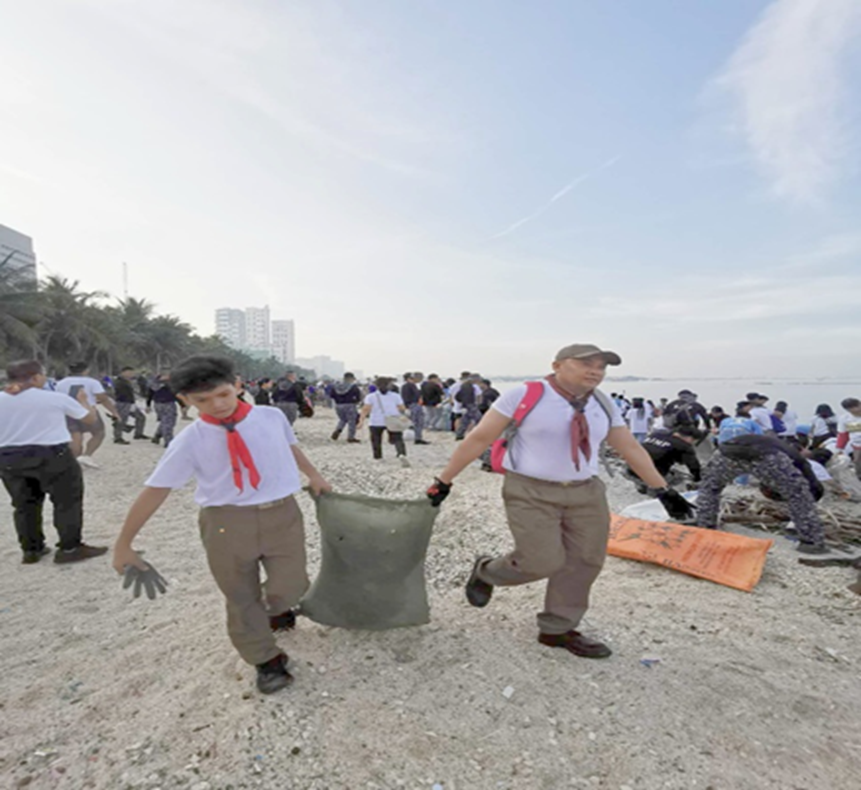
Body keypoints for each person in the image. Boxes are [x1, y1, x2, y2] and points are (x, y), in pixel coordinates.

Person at [425, 344, 693, 660]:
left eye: (602, 366)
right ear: (557, 366)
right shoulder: (525, 394)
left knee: (585, 560)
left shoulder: (604, 404)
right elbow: (479, 438)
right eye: (586, 364)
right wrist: (444, 480)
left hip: (586, 491)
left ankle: (557, 628)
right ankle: (486, 571)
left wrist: (664, 491)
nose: (596, 371)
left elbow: (630, 447)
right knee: (541, 560)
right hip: (530, 490)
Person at [112, 355, 331, 694]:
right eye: (202, 400)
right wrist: (124, 542)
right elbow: (156, 490)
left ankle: (274, 609)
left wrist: (314, 475)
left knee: (291, 584)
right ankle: (265, 659)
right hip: (226, 523)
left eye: (223, 394)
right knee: (239, 593)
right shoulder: (189, 440)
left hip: (283, 516)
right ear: (185, 400)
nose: (217, 405)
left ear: (238, 386)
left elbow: (291, 449)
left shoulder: (271, 417)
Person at [0, 360, 108, 564]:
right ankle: (69, 548)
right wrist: (84, 401)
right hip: (51, 454)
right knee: (67, 501)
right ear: (34, 377)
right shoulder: (53, 398)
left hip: (8, 456)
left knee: (24, 504)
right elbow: (89, 420)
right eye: (42, 375)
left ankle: (32, 549)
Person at [696, 432, 828, 555]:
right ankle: (811, 542)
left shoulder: (782, 447)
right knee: (798, 495)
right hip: (764, 455)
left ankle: (705, 526)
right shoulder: (800, 461)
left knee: (709, 488)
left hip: (725, 452)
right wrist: (809, 500)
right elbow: (808, 490)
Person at [56, 361, 121, 468]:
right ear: (86, 370)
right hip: (87, 410)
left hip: (68, 412)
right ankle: (86, 455)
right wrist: (114, 412)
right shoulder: (92, 382)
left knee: (75, 436)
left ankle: (74, 461)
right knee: (98, 433)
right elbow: (103, 398)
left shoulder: (61, 383)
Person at [630, 426, 701, 492]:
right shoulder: (684, 446)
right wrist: (697, 479)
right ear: (690, 438)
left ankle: (642, 485)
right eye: (693, 441)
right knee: (681, 479)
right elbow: (694, 466)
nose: (692, 444)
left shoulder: (657, 434)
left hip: (631, 466)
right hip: (652, 473)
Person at [357, 377, 409, 466]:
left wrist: (361, 421)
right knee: (398, 438)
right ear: (389, 386)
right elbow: (402, 408)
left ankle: (378, 457)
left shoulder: (371, 396)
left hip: (375, 421)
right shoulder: (395, 396)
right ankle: (401, 453)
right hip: (392, 419)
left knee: (376, 439)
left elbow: (365, 409)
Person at [112, 366, 149, 444]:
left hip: (130, 402)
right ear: (123, 372)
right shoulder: (119, 381)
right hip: (122, 403)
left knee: (141, 417)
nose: (131, 374)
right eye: (129, 373)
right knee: (121, 419)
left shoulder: (129, 381)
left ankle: (138, 433)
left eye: (132, 373)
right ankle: (118, 437)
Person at [147, 372, 180, 448]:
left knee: (164, 421)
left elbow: (149, 395)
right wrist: (182, 405)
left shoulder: (153, 384)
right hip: (167, 404)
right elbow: (176, 395)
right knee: (169, 423)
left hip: (158, 404)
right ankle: (168, 441)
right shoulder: (170, 384)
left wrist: (148, 405)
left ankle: (157, 435)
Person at [329, 372, 362, 443]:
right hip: (350, 404)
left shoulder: (335, 386)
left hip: (338, 405)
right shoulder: (353, 386)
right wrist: (356, 402)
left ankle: (338, 429)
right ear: (350, 378)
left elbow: (331, 395)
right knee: (351, 421)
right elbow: (358, 397)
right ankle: (351, 437)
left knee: (342, 419)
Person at [401, 372, 430, 445]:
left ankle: (416, 437)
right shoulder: (411, 386)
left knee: (414, 422)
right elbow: (416, 396)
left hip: (410, 405)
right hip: (414, 404)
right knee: (418, 421)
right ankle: (418, 438)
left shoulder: (405, 386)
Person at [837, 398, 861, 480]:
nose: (856, 409)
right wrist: (840, 448)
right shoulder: (845, 418)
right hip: (857, 445)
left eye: (857, 406)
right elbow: (843, 435)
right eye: (851, 408)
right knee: (857, 463)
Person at [454, 375, 482, 440]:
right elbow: (479, 396)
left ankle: (459, 434)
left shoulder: (463, 386)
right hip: (471, 404)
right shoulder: (474, 386)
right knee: (479, 418)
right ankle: (479, 433)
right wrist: (478, 404)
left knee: (465, 420)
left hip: (465, 404)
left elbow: (457, 396)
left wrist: (461, 402)